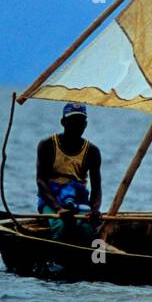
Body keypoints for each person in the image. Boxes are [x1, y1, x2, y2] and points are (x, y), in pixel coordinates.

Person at [36, 103, 102, 242]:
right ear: (63, 122)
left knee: (86, 229)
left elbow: (96, 187)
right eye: (73, 122)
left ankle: (87, 258)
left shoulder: (92, 152)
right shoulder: (47, 145)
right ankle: (55, 261)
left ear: (85, 124)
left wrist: (94, 210)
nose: (77, 126)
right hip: (52, 199)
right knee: (62, 225)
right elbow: (41, 181)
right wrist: (59, 209)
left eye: (80, 122)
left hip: (78, 199)